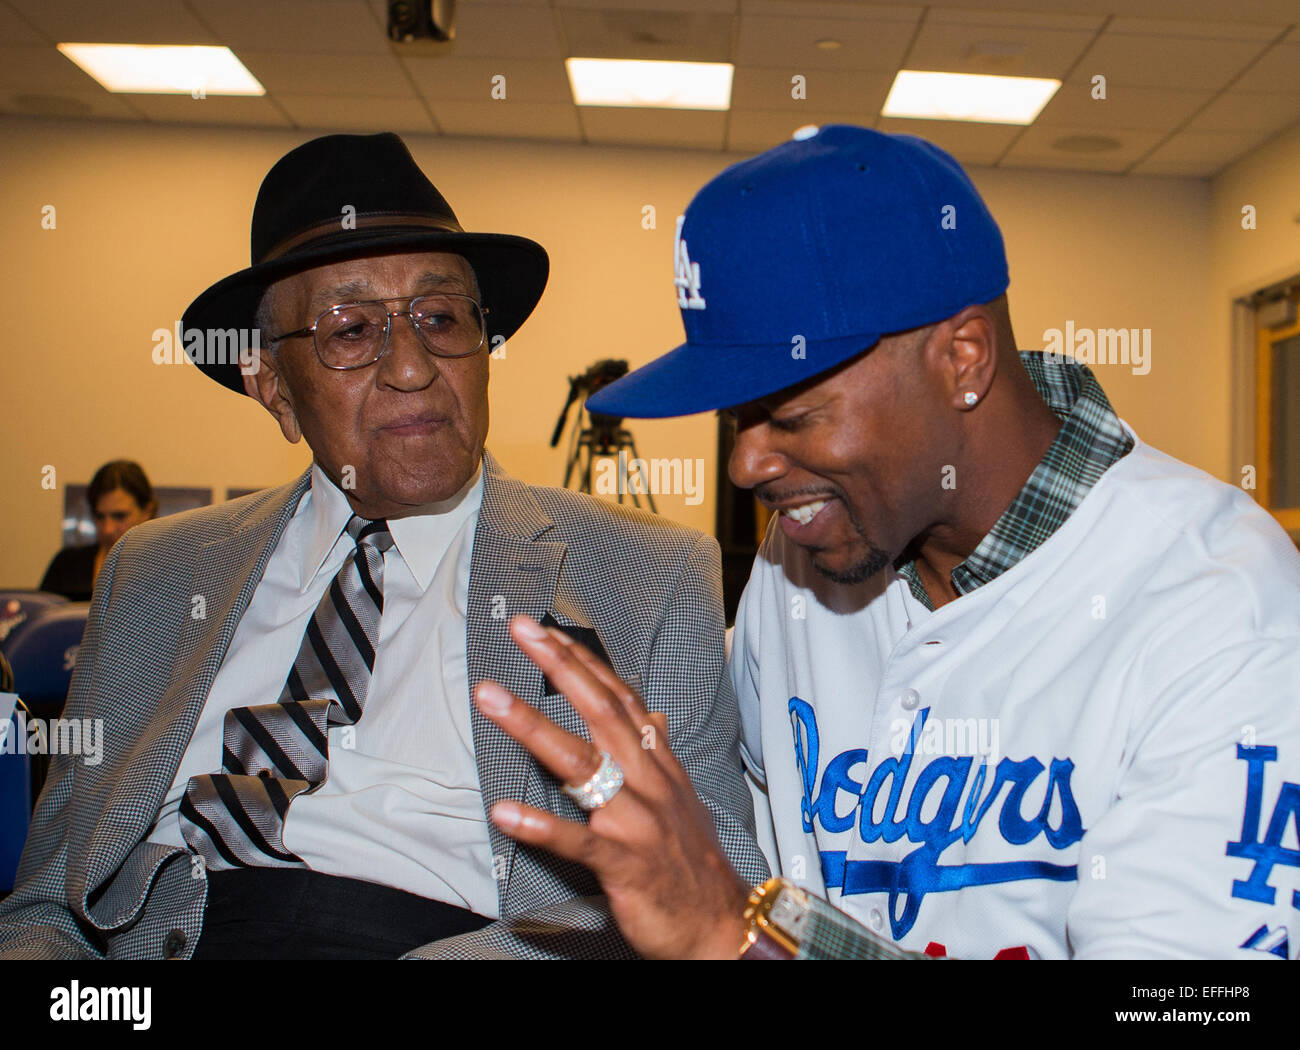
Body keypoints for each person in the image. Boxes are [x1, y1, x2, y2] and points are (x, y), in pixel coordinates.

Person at [459, 124, 1300, 960]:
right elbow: (710, 804)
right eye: (734, 417)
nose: (747, 462)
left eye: (790, 415)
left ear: (963, 358)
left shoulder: (1220, 605)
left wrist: (735, 934)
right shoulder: (805, 564)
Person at [0, 132, 766, 960]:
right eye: (351, 330)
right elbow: (45, 905)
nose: (411, 366)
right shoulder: (154, 575)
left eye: (441, 318)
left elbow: (710, 896)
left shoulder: (646, 580)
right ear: (271, 385)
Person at [39, 460, 156, 601]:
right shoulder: (67, 565)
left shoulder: (166, 569)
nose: (108, 529)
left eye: (119, 516)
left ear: (147, 511)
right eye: (99, 516)